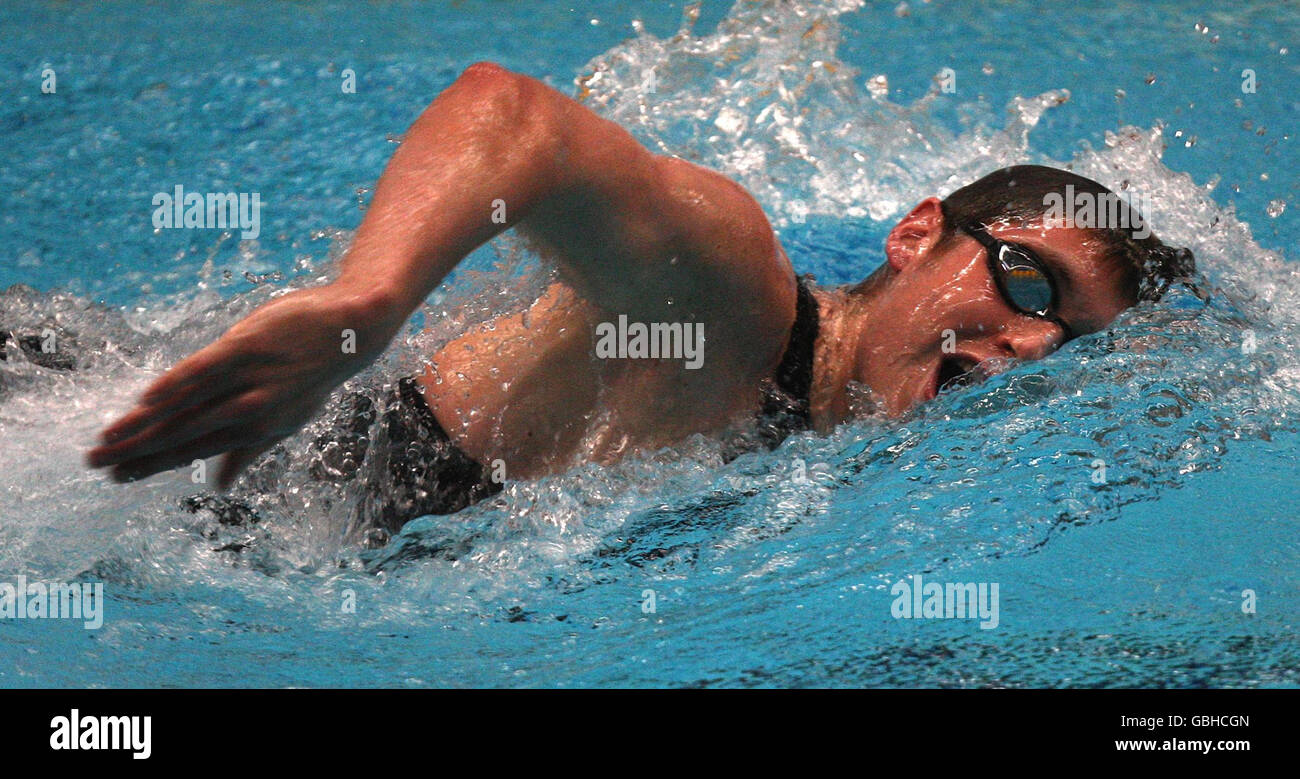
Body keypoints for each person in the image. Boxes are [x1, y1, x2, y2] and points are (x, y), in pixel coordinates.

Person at [85, 62, 1194, 533]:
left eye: (1065, 336)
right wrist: (359, 307)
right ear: (913, 234)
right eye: (1024, 277)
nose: (1031, 342)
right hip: (167, 443)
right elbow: (509, 114)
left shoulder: (835, 454)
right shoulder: (734, 297)